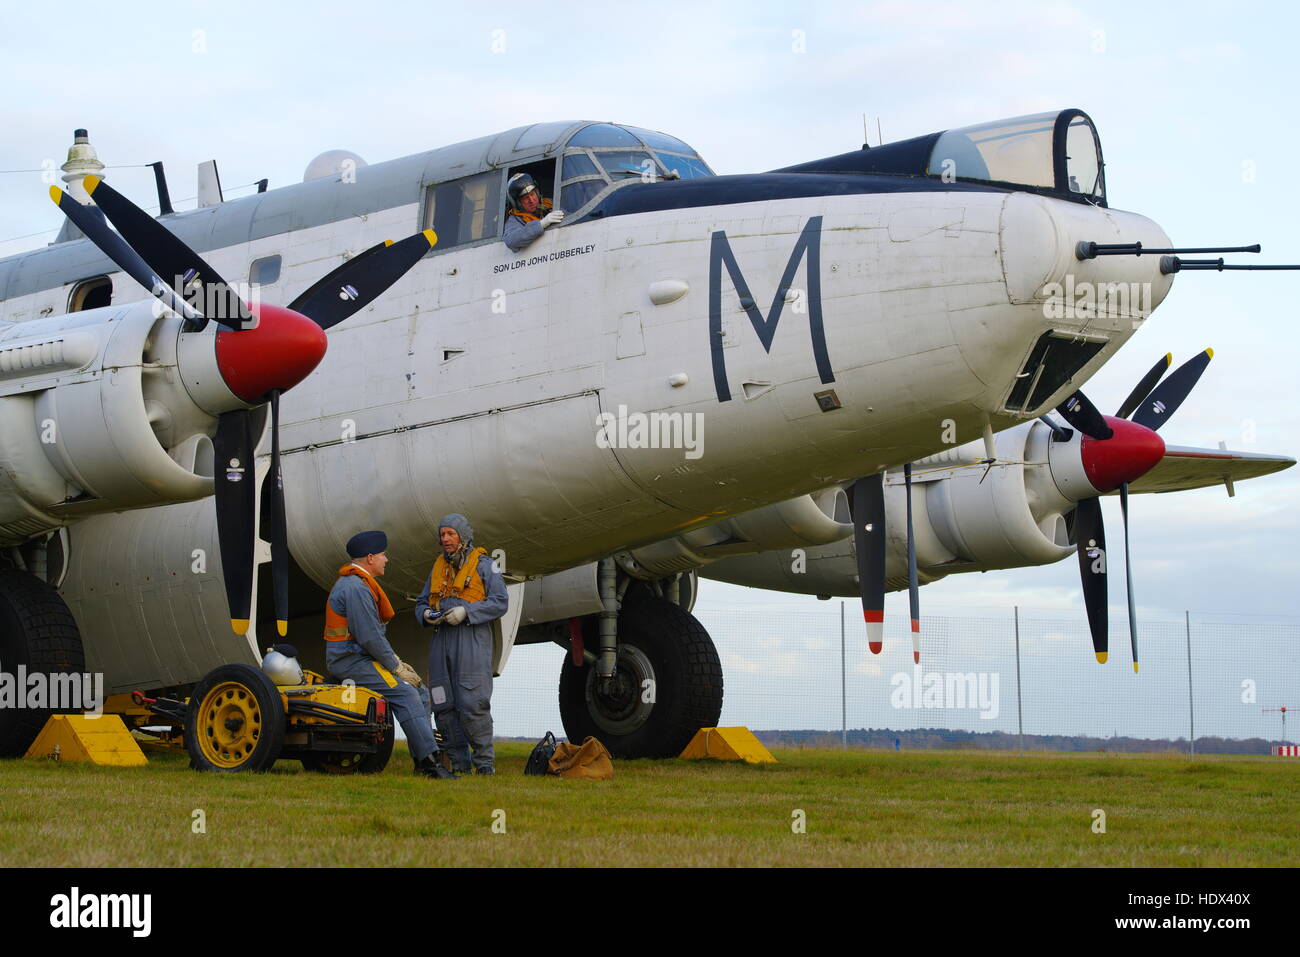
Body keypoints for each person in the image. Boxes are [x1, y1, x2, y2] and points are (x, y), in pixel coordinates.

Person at [324, 529, 456, 779]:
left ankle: (422, 760)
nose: (387, 560)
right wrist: (395, 666)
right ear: (370, 557)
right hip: (350, 661)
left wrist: (396, 664)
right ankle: (431, 764)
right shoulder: (356, 588)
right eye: (384, 555)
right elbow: (369, 637)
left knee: (420, 692)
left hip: (358, 659)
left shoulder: (356, 584)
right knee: (406, 693)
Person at [414, 514, 509, 775]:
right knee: (443, 705)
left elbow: (500, 601)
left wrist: (467, 612)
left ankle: (485, 766)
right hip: (441, 639)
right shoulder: (437, 568)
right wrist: (425, 615)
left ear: (463, 537)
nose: (445, 539)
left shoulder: (486, 565)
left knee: (473, 703)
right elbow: (421, 603)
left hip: (471, 641)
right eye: (442, 534)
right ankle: (459, 765)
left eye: (450, 534)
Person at [502, 172, 565, 252]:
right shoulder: (514, 220)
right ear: (518, 203)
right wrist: (541, 224)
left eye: (532, 194)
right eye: (525, 198)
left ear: (537, 193)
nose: (531, 200)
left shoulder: (551, 204)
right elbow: (512, 241)